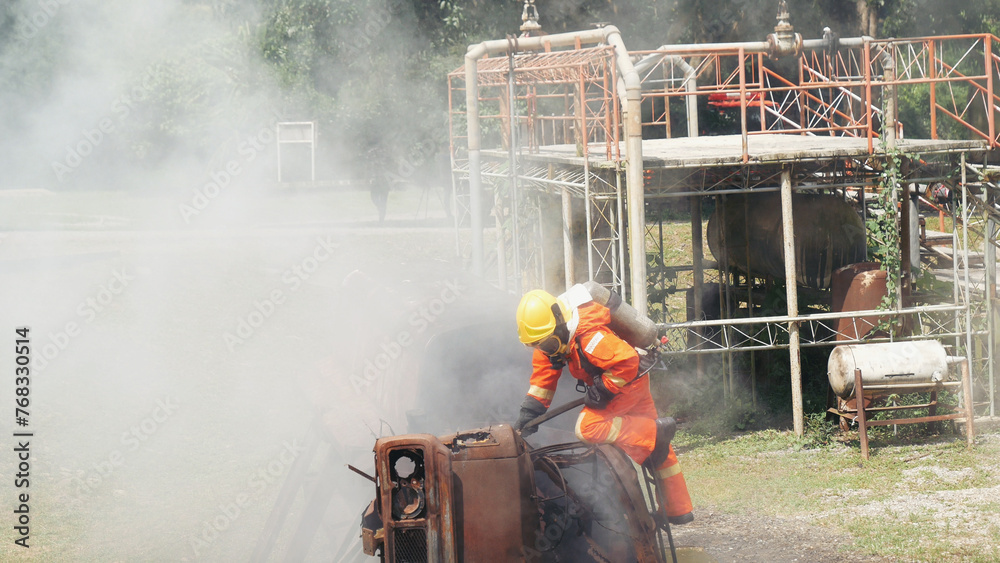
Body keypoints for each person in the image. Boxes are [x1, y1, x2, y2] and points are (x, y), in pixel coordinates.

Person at [511, 285, 694, 525]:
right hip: (629, 382)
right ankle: (678, 509)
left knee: (588, 428)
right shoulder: (549, 339)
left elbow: (627, 361)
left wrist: (604, 389)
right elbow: (542, 382)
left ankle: (655, 431)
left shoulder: (589, 336)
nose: (547, 352)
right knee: (657, 450)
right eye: (538, 346)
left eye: (548, 345)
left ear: (559, 323)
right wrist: (529, 414)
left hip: (627, 382)